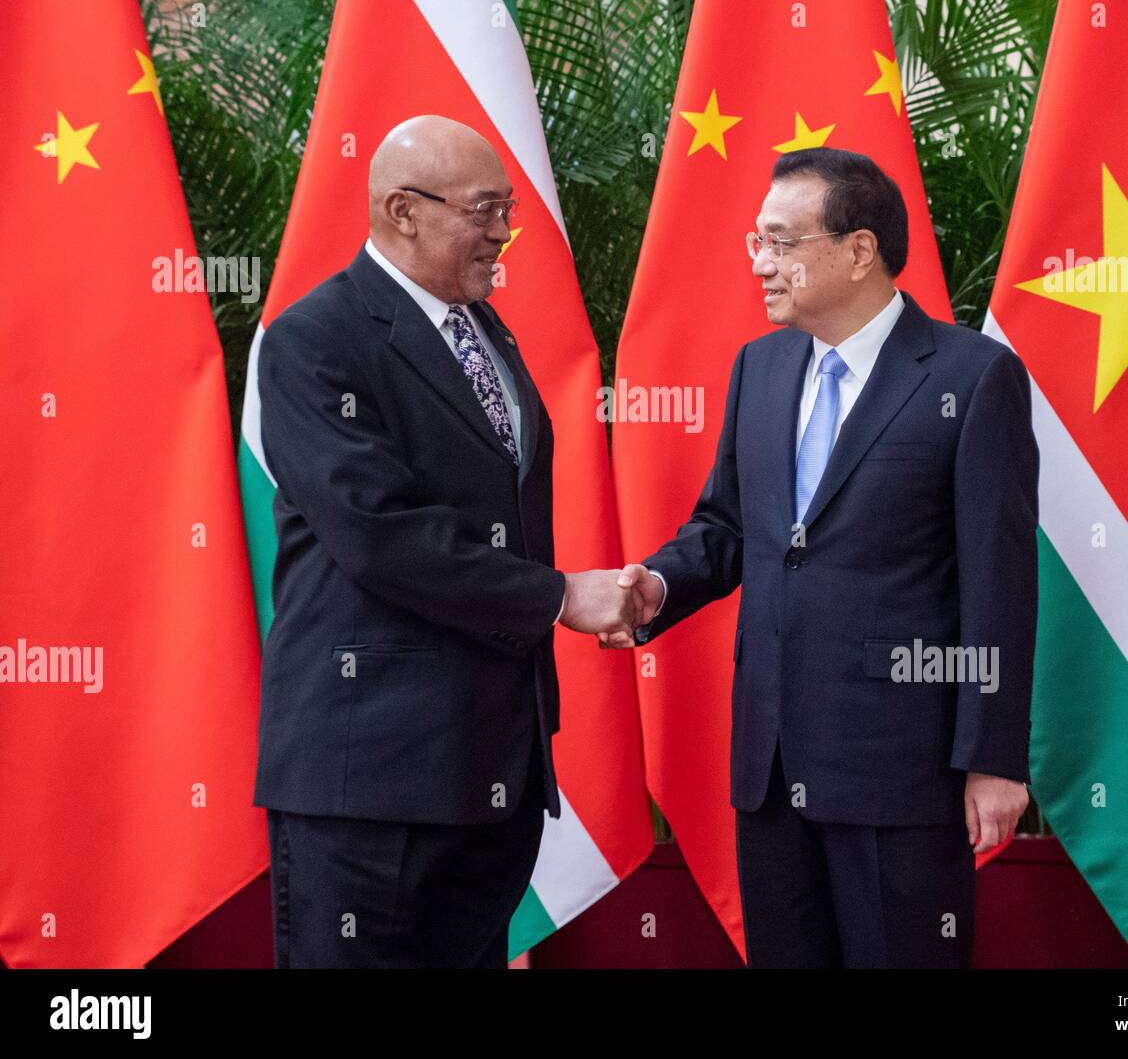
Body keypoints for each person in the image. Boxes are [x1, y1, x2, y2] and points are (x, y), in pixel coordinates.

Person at [606, 147, 1039, 968]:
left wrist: (992, 758)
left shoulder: (973, 376)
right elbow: (730, 527)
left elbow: (1000, 582)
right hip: (772, 764)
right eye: (755, 243)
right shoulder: (759, 367)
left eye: (780, 243)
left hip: (901, 770)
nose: (761, 264)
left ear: (858, 250)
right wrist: (655, 585)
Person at [253, 115, 634, 967]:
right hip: (374, 784)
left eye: (507, 208)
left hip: (488, 772)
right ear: (402, 210)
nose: (505, 232)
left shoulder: (485, 329)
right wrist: (562, 596)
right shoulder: (314, 341)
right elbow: (382, 534)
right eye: (485, 209)